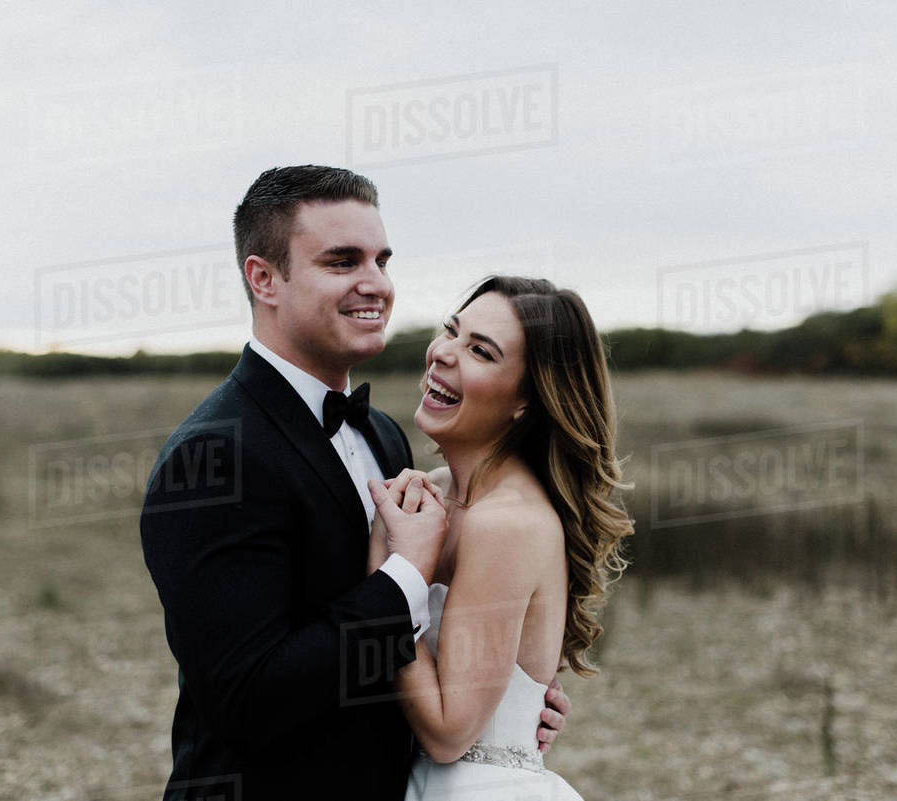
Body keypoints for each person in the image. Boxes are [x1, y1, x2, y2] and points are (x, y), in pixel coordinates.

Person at [139, 166, 570, 801]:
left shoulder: (388, 438)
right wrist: (401, 580)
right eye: (342, 262)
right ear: (265, 279)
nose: (376, 285)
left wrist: (504, 705)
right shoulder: (212, 457)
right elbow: (246, 697)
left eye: (381, 260)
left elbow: (404, 672)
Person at [365, 276, 633, 800]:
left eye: (481, 352)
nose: (443, 353)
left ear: (527, 402)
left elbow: (447, 732)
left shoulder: (506, 522)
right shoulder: (432, 494)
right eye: (452, 331)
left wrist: (386, 577)